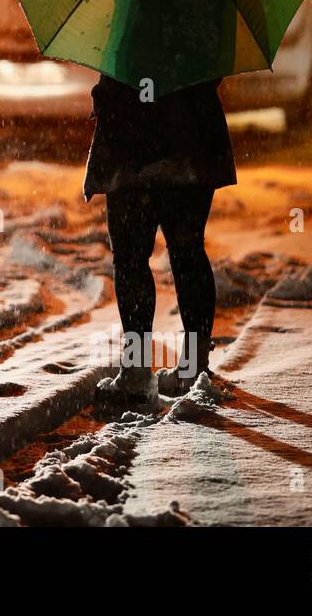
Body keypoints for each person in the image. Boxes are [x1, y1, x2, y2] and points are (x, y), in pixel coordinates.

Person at [84, 73, 236, 409]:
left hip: (131, 138)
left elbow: (117, 59)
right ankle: (193, 366)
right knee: (188, 249)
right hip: (192, 135)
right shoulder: (199, 22)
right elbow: (211, 66)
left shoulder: (127, 20)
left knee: (131, 256)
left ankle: (137, 371)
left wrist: (106, 96)